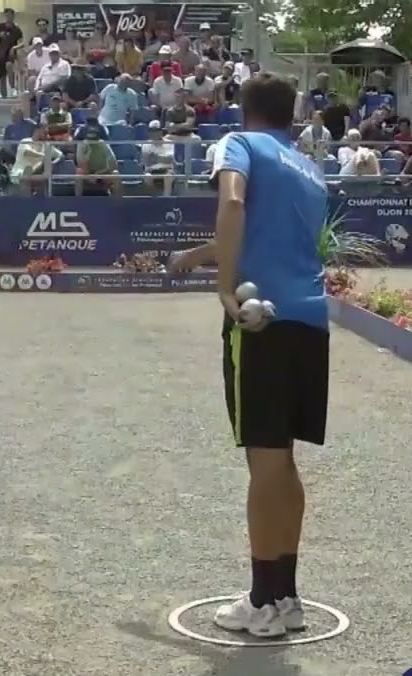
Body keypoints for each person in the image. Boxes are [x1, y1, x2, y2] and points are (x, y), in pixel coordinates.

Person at [171, 74, 329, 639]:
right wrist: (196, 255)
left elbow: (234, 202)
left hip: (261, 321)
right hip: (310, 320)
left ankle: (262, 602)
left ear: (246, 111)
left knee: (264, 464)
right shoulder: (309, 168)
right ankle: (285, 596)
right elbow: (270, 232)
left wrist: (223, 286)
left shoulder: (238, 144)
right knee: (283, 461)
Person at [0, 9, 24, 98]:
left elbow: (22, 43)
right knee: (2, 77)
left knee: (9, 66)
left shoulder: (16, 29)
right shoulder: (0, 26)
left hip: (10, 53)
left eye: (10, 15)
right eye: (7, 15)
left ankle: (13, 88)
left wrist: (15, 48)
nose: (8, 17)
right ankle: (4, 97)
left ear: (13, 16)